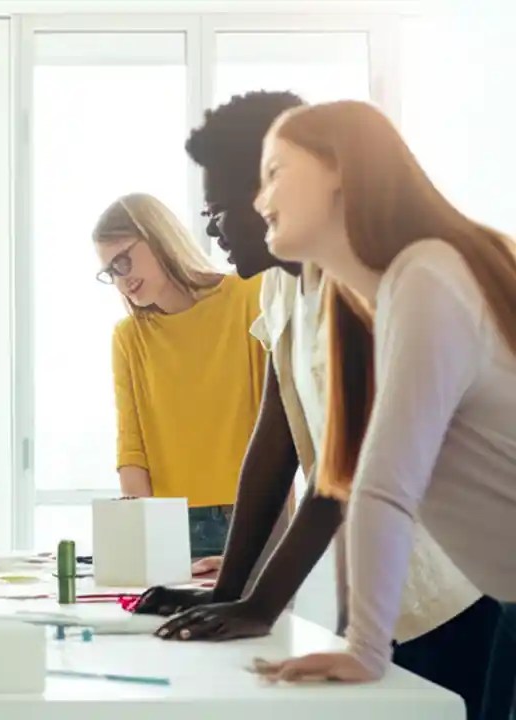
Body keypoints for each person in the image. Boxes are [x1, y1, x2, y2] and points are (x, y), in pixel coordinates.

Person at [136, 91, 501, 720]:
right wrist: (231, 590)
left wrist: (258, 605)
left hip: (460, 589)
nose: (213, 229)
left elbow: (348, 467)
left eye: (222, 208)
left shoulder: (367, 282)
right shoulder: (282, 286)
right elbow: (275, 445)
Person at [243, 103, 516, 704]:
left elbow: (385, 484)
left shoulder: (430, 276)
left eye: (275, 172)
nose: (260, 198)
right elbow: (344, 474)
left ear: (338, 169)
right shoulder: (372, 300)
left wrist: (364, 648)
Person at [96, 193, 266, 560]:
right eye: (110, 272)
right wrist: (139, 544)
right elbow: (132, 447)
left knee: (258, 619)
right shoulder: (129, 337)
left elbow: (279, 435)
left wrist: (259, 543)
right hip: (165, 524)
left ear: (157, 236)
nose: (121, 280)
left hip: (252, 515)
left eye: (123, 260)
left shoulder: (250, 297)